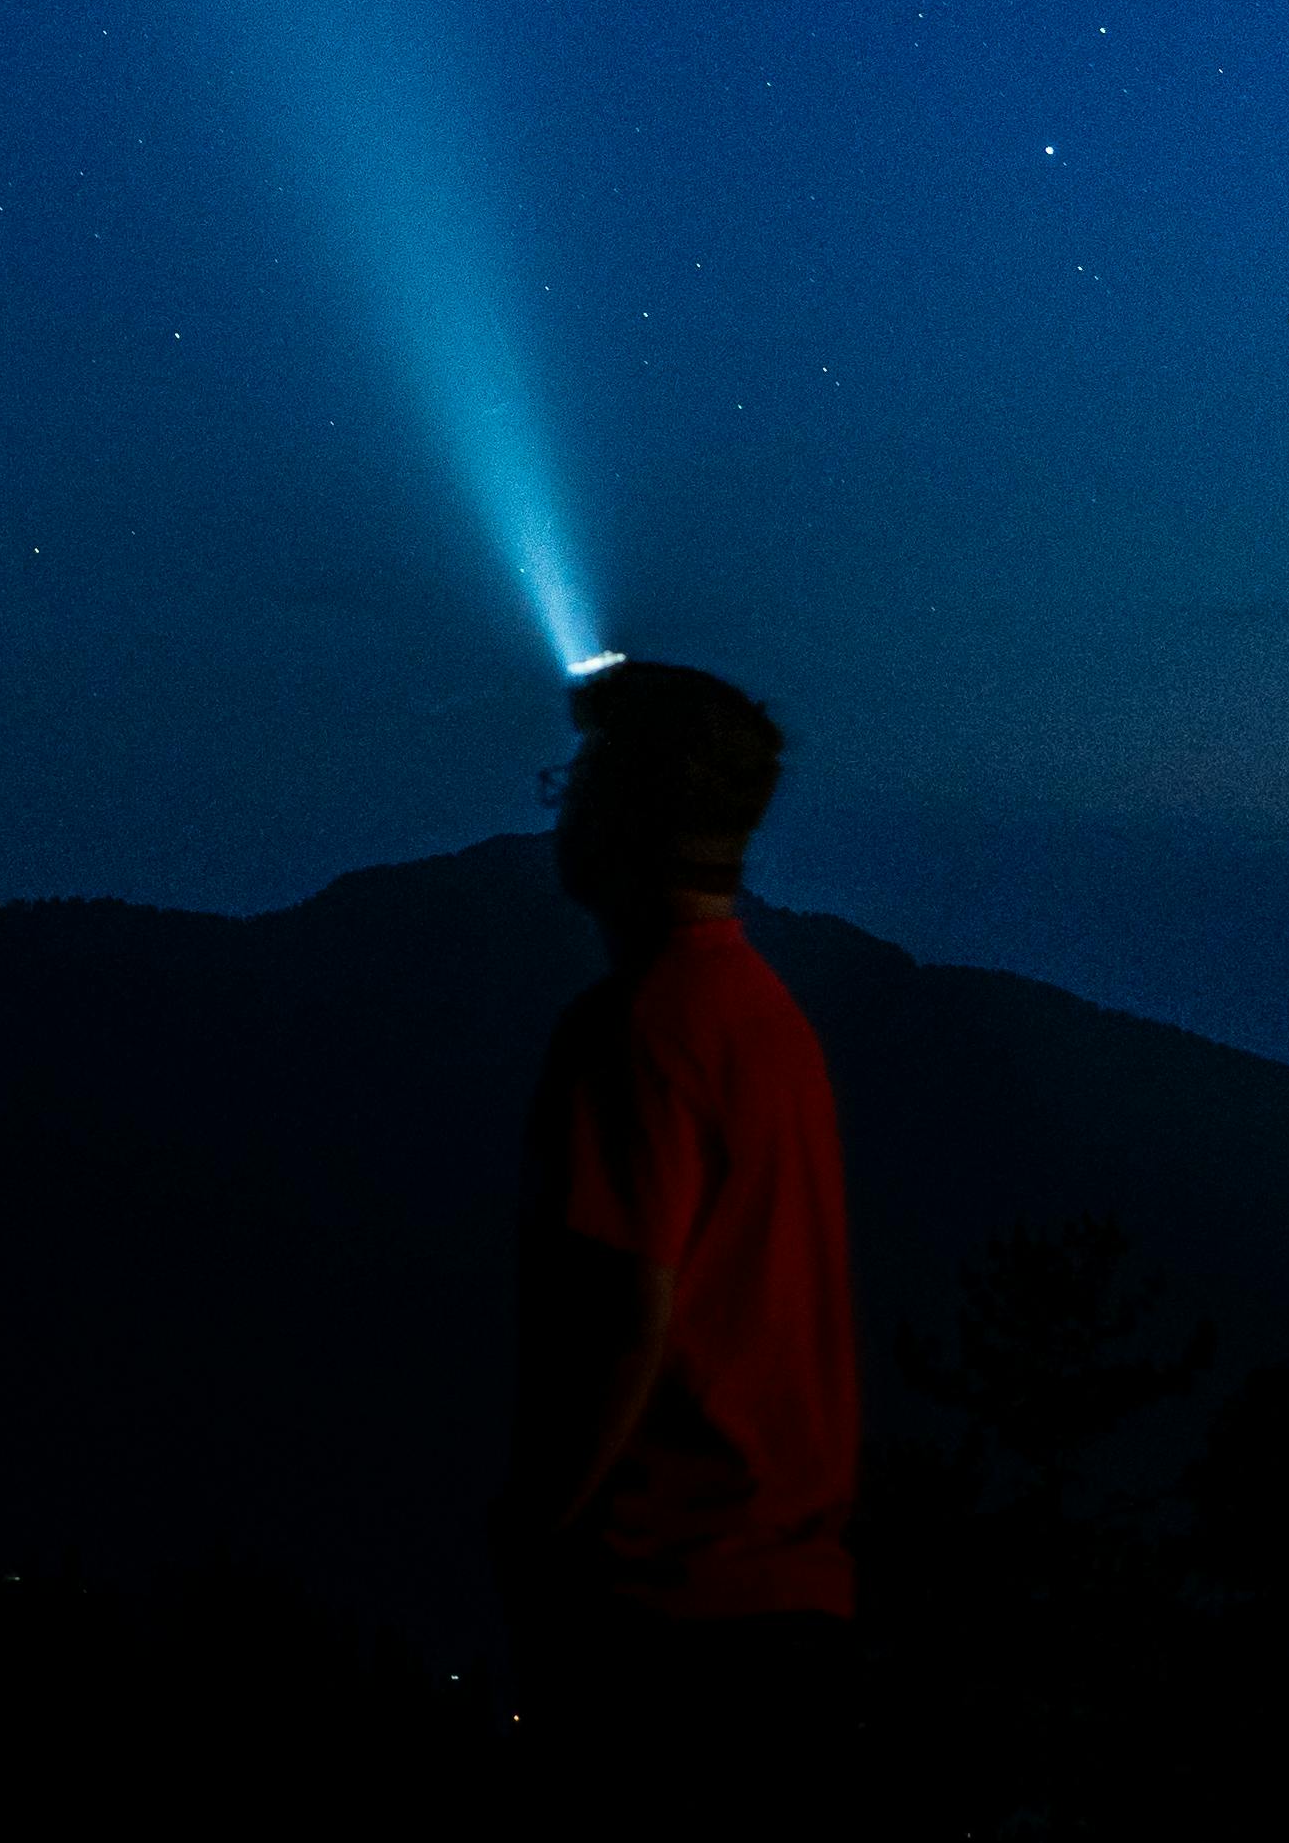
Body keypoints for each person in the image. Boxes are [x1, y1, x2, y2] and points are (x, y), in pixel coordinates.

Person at [494, 658, 860, 1786]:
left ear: (624, 814)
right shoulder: (765, 1017)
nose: (566, 800)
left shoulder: (636, 1030)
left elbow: (622, 1319)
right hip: (794, 1615)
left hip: (667, 1617)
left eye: (585, 778)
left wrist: (528, 1533)